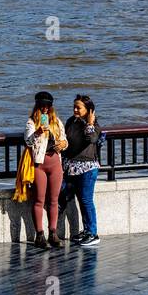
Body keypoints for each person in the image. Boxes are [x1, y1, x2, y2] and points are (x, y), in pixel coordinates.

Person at [25, 91, 68, 249]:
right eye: (42, 106)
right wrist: (37, 132)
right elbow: (28, 142)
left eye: (48, 106)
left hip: (55, 162)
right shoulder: (31, 122)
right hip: (39, 164)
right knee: (39, 200)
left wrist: (63, 144)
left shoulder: (56, 121)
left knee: (54, 200)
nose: (45, 109)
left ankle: (53, 233)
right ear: (37, 106)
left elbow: (65, 140)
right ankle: (39, 235)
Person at [61, 95, 102, 247]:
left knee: (86, 200)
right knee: (77, 199)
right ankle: (86, 231)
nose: (75, 110)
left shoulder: (94, 125)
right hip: (72, 168)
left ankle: (93, 233)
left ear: (89, 110)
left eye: (79, 107)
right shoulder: (71, 121)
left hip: (87, 168)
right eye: (74, 107)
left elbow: (91, 139)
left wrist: (90, 123)